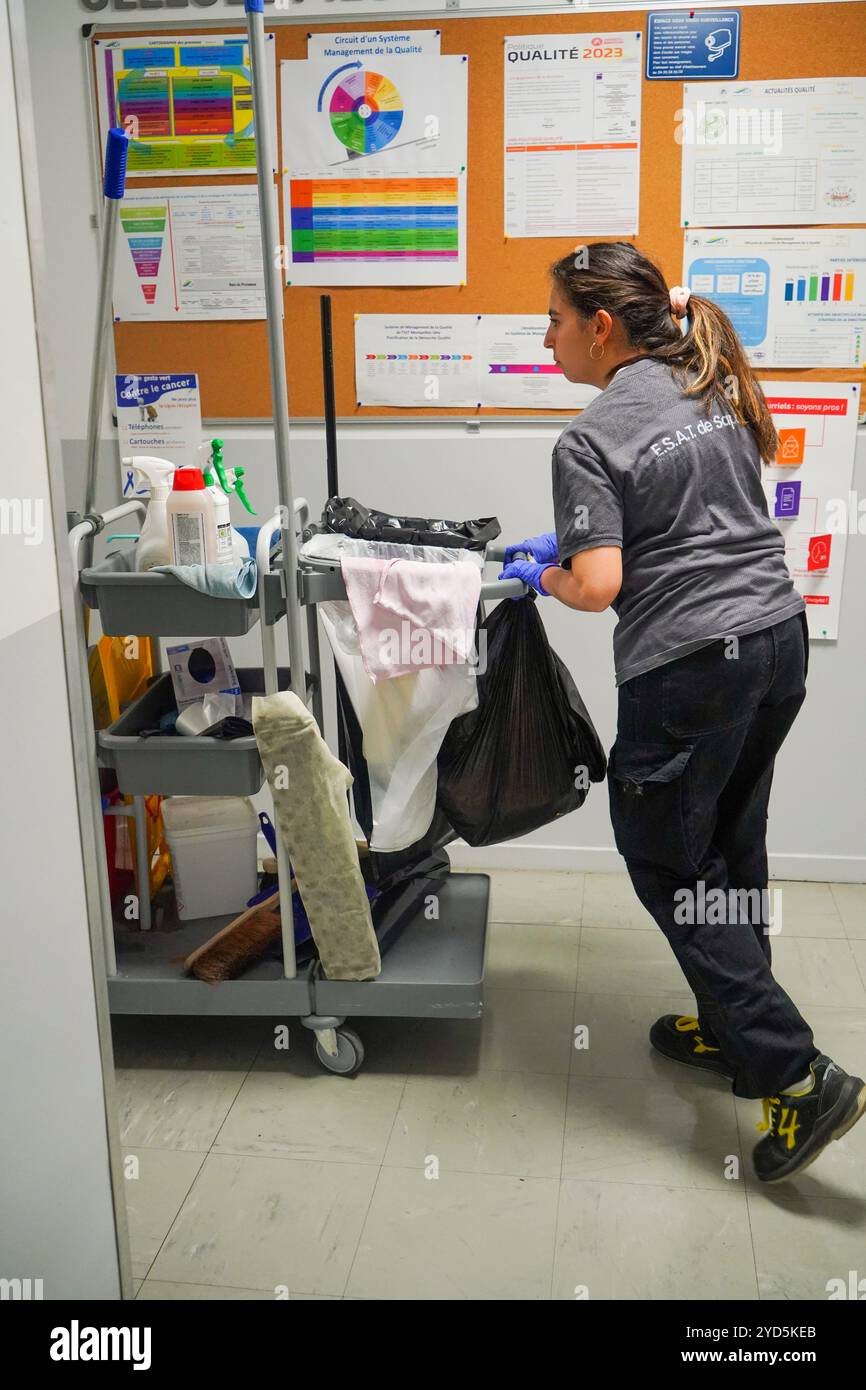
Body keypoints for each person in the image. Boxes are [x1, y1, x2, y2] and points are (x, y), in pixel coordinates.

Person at [499, 241, 865, 1183]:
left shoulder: (587, 437)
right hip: (776, 643)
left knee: (666, 854)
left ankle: (796, 1074)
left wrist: (542, 573)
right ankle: (735, 1031)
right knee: (732, 842)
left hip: (692, 664)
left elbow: (600, 584)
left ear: (601, 326)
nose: (547, 338)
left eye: (554, 320)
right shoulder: (712, 380)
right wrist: (585, 546)